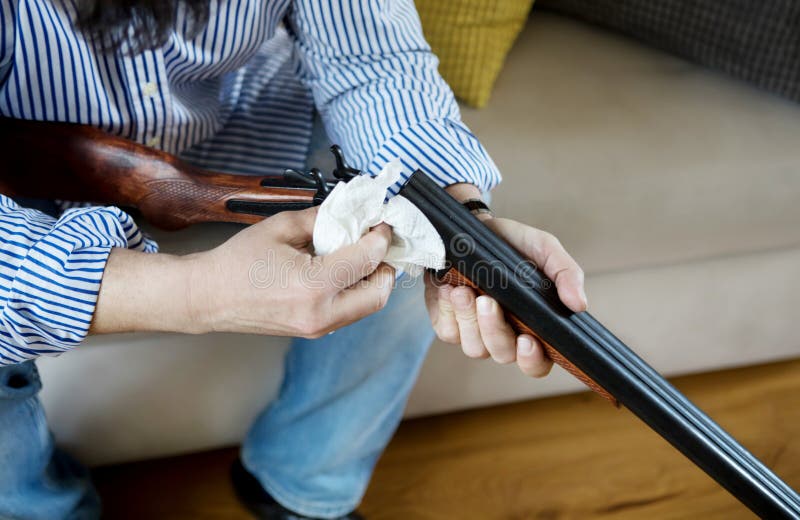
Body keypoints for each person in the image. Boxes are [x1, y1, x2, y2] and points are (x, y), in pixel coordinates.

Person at [0, 1, 587, 518]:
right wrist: (193, 293)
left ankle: (303, 488)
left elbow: (371, 63)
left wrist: (460, 222)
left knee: (412, 248)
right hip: (18, 189)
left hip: (252, 130)